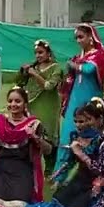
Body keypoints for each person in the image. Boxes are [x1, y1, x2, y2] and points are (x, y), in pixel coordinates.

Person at [24, 99, 104, 207]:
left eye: (84, 121)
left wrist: (80, 153)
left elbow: (99, 166)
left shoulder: (100, 139)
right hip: (80, 177)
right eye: (76, 121)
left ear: (96, 120)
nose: (79, 125)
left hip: (95, 179)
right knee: (61, 200)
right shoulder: (75, 136)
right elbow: (70, 161)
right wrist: (58, 176)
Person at [55, 24, 104, 178]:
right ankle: (59, 176)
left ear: (91, 38)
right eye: (76, 38)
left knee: (91, 134)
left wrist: (74, 66)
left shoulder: (97, 56)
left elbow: (89, 70)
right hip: (75, 99)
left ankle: (92, 174)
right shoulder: (79, 58)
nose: (78, 41)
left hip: (89, 100)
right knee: (68, 133)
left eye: (81, 37)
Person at [18, 39, 63, 173]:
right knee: (33, 135)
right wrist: (24, 72)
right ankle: (31, 169)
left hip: (49, 107)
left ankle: (50, 170)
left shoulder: (57, 68)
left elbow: (49, 86)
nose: (38, 56)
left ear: (49, 53)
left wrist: (34, 74)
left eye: (41, 52)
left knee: (48, 135)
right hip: (34, 106)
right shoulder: (34, 67)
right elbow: (21, 84)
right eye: (36, 53)